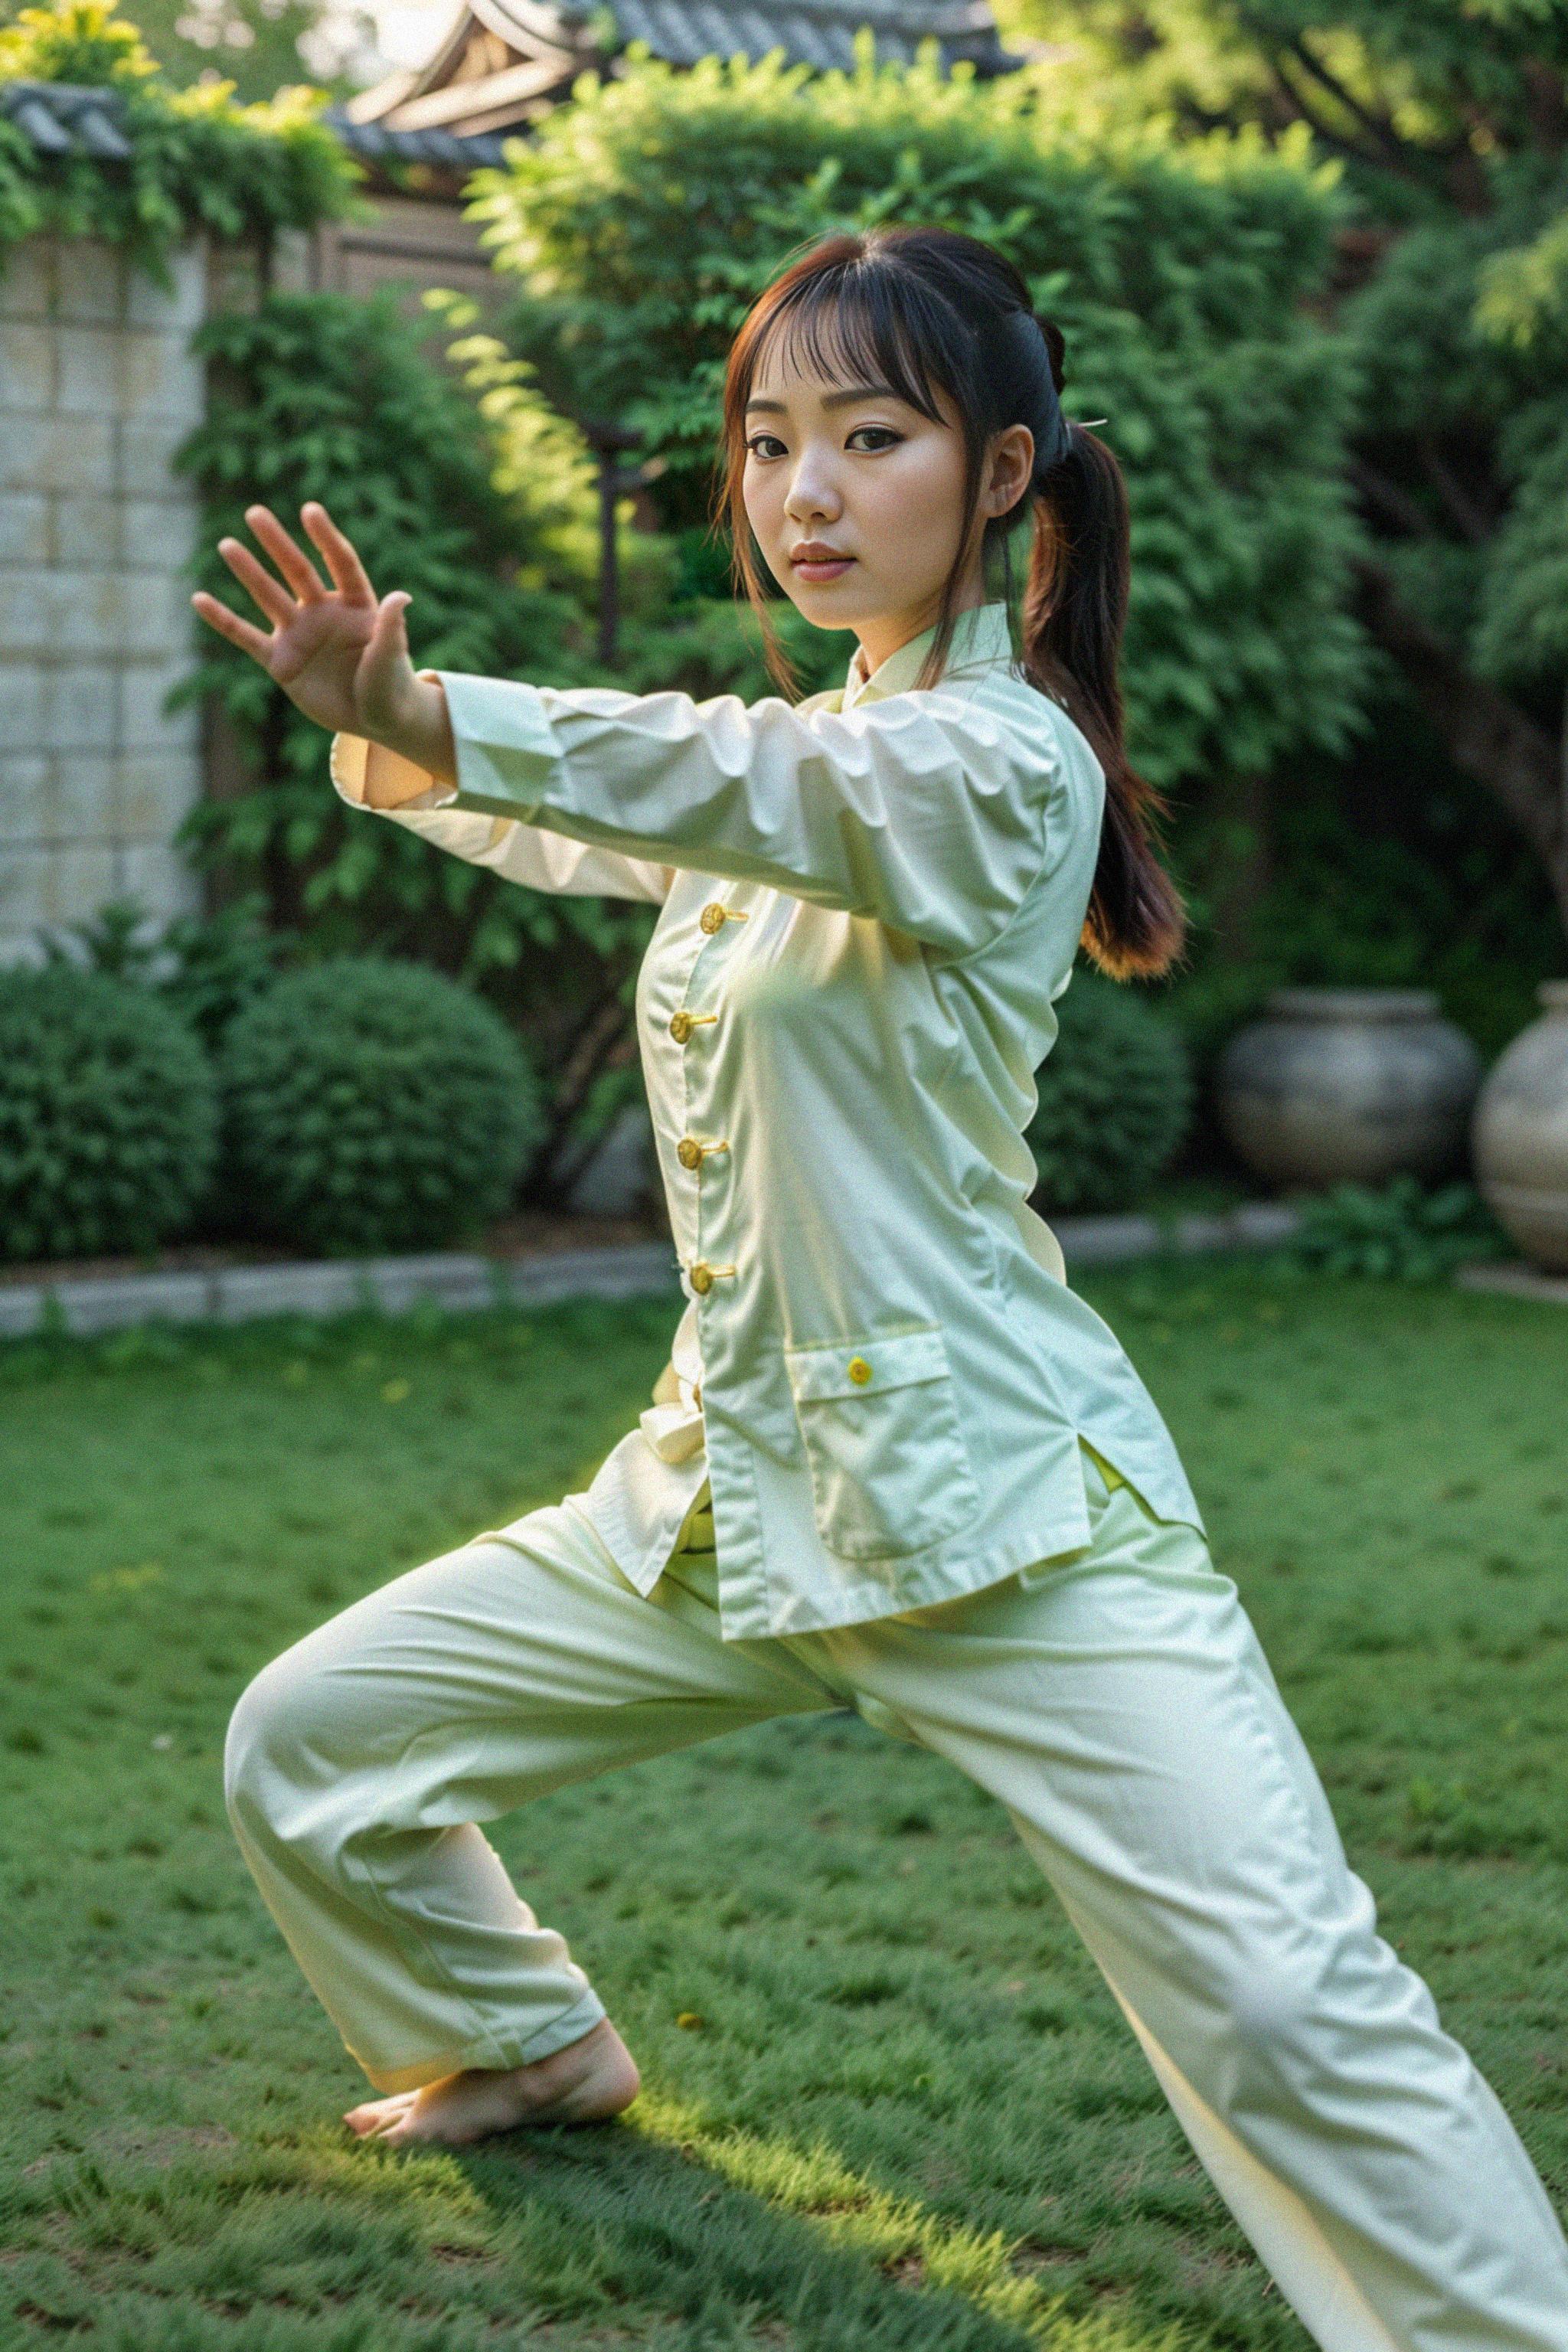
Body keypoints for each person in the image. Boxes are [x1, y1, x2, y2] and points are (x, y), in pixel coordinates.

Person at [202, 224, 1568, 2349]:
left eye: (872, 437)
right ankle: (526, 2039)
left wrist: (438, 705)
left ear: (1004, 473)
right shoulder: (831, 761)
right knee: (310, 1744)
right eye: (770, 442)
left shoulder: (993, 768)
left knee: (1295, 2001)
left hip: (1005, 1521)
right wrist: (405, 735)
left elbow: (725, 787)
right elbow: (625, 822)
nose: (806, 493)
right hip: (733, 1496)